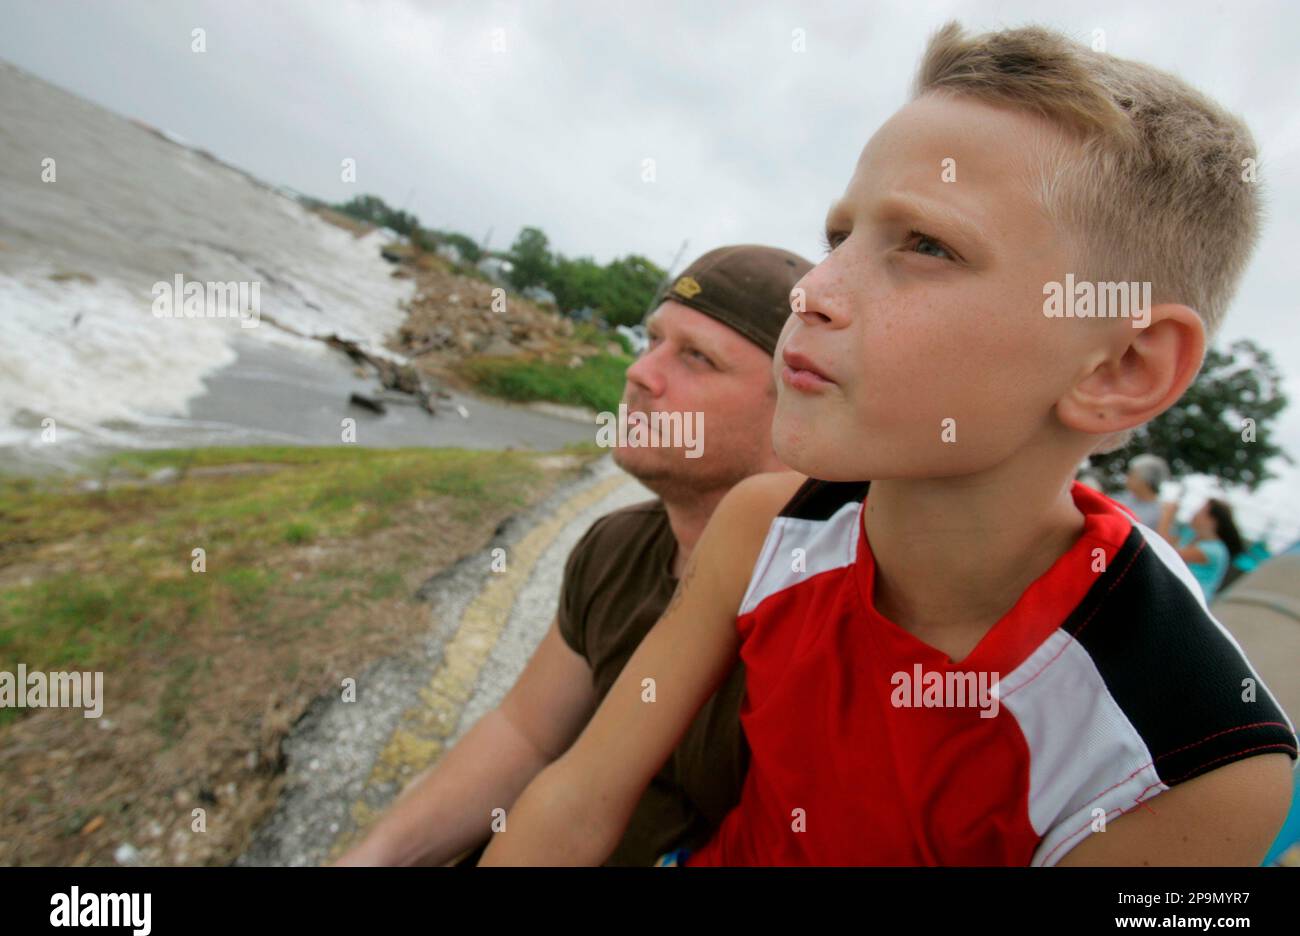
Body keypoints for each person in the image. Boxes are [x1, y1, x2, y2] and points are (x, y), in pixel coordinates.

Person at [479, 22, 1298, 867]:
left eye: (927, 245)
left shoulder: (1189, 753)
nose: (811, 289)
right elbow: (578, 803)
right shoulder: (769, 525)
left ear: (1120, 367)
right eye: (840, 238)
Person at [334, 244, 812, 866]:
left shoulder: (818, 613)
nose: (641, 373)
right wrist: (374, 858)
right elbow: (525, 733)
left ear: (793, 411)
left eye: (697, 358)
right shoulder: (616, 547)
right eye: (653, 341)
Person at [1158, 497, 1245, 601]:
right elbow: (1166, 542)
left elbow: (1162, 552)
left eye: (1201, 511)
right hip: (1174, 592)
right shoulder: (1190, 534)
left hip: (1189, 602)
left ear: (1212, 521)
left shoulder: (1215, 550)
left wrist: (1167, 515)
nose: (1195, 513)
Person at [1113, 453, 1171, 527]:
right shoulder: (1118, 500)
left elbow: (1163, 537)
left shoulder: (1163, 510)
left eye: (1131, 475)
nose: (1127, 478)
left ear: (1145, 480)